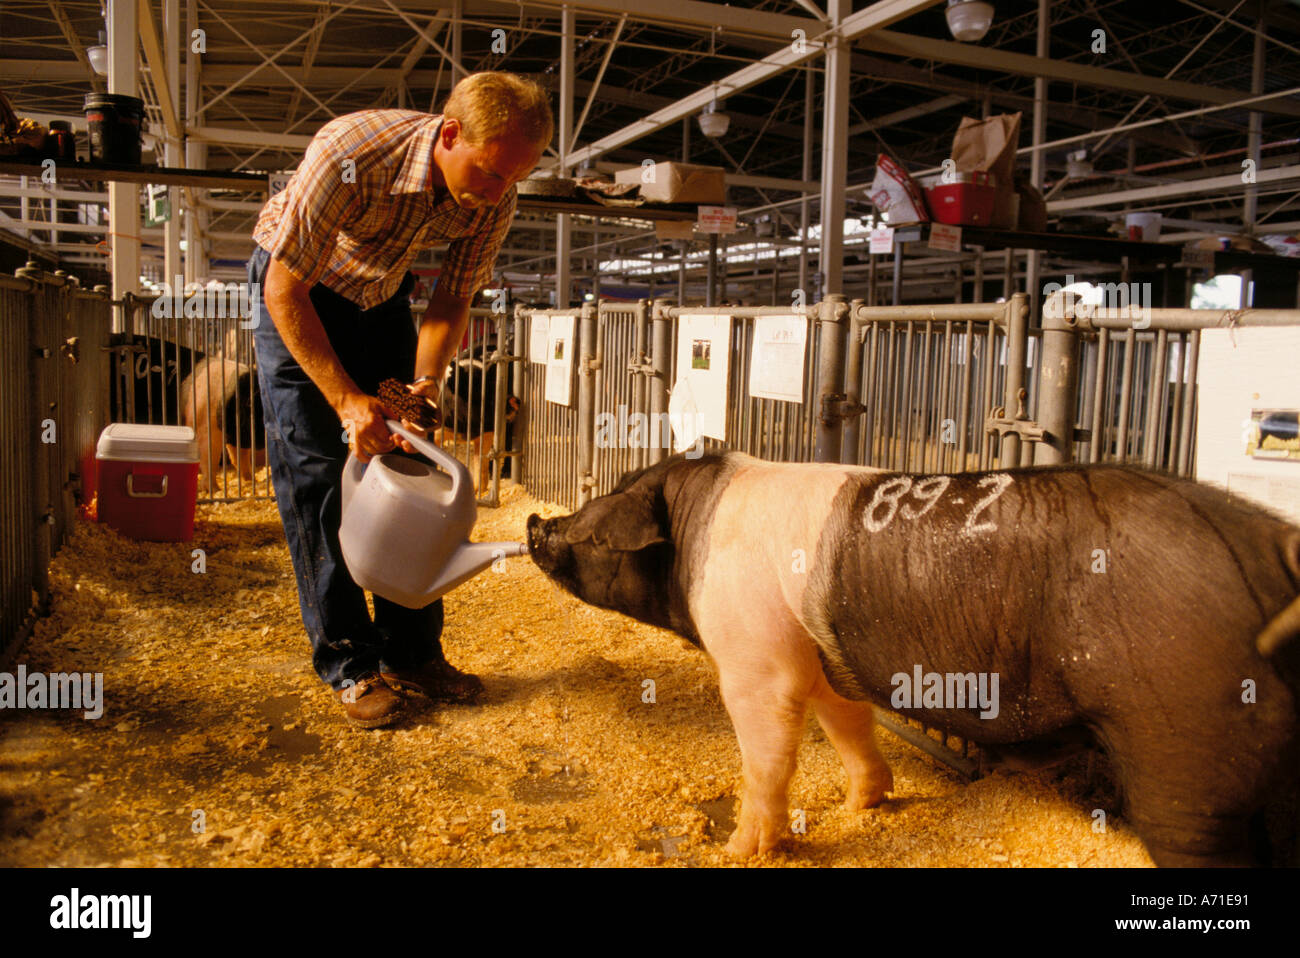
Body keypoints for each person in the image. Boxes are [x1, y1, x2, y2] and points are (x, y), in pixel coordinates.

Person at [247, 72, 552, 727]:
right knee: (321, 473)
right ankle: (350, 665)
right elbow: (283, 293)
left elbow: (451, 298)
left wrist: (428, 382)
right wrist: (346, 402)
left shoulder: (495, 194)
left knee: (413, 467)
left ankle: (412, 653)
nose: (499, 194)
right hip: (302, 288)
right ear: (449, 134)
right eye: (493, 172)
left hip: (381, 293)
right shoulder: (350, 151)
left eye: (514, 179)